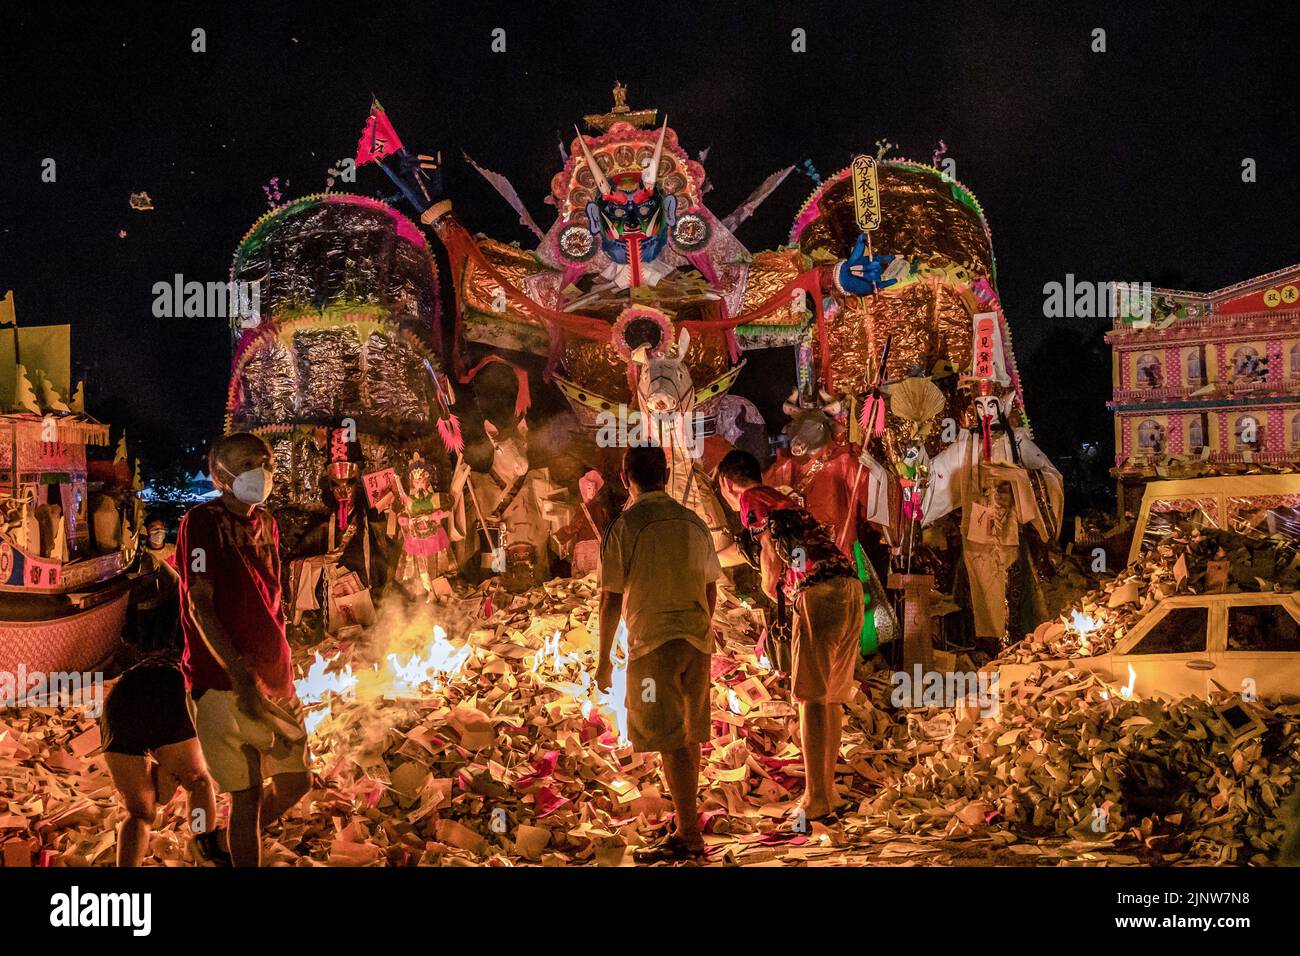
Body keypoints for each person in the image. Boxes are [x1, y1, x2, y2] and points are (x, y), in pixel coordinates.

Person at [177, 432, 310, 867]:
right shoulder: (199, 522)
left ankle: (223, 843)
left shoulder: (267, 522)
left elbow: (270, 597)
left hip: (275, 678)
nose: (262, 470)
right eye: (248, 461)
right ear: (219, 474)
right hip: (222, 682)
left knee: (295, 783)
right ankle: (237, 846)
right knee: (247, 796)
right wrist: (239, 675)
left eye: (266, 460)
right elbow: (199, 605)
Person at [717, 449, 863, 826]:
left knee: (809, 698)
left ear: (726, 484)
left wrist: (770, 584)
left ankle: (814, 799)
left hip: (816, 591)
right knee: (830, 697)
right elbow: (749, 547)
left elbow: (767, 544)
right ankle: (828, 792)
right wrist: (711, 559)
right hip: (847, 587)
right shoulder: (783, 500)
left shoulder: (751, 498)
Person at [595, 445, 721, 863]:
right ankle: (687, 824)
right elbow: (710, 588)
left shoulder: (625, 526)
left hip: (653, 645)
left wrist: (602, 664)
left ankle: (688, 833)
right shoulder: (694, 523)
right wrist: (703, 628)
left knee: (669, 736)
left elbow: (610, 600)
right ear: (666, 475)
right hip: (696, 643)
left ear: (624, 475)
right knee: (687, 732)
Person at [100, 657, 229, 866]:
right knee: (196, 781)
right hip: (165, 689)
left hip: (118, 704)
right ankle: (202, 850)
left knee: (140, 812)